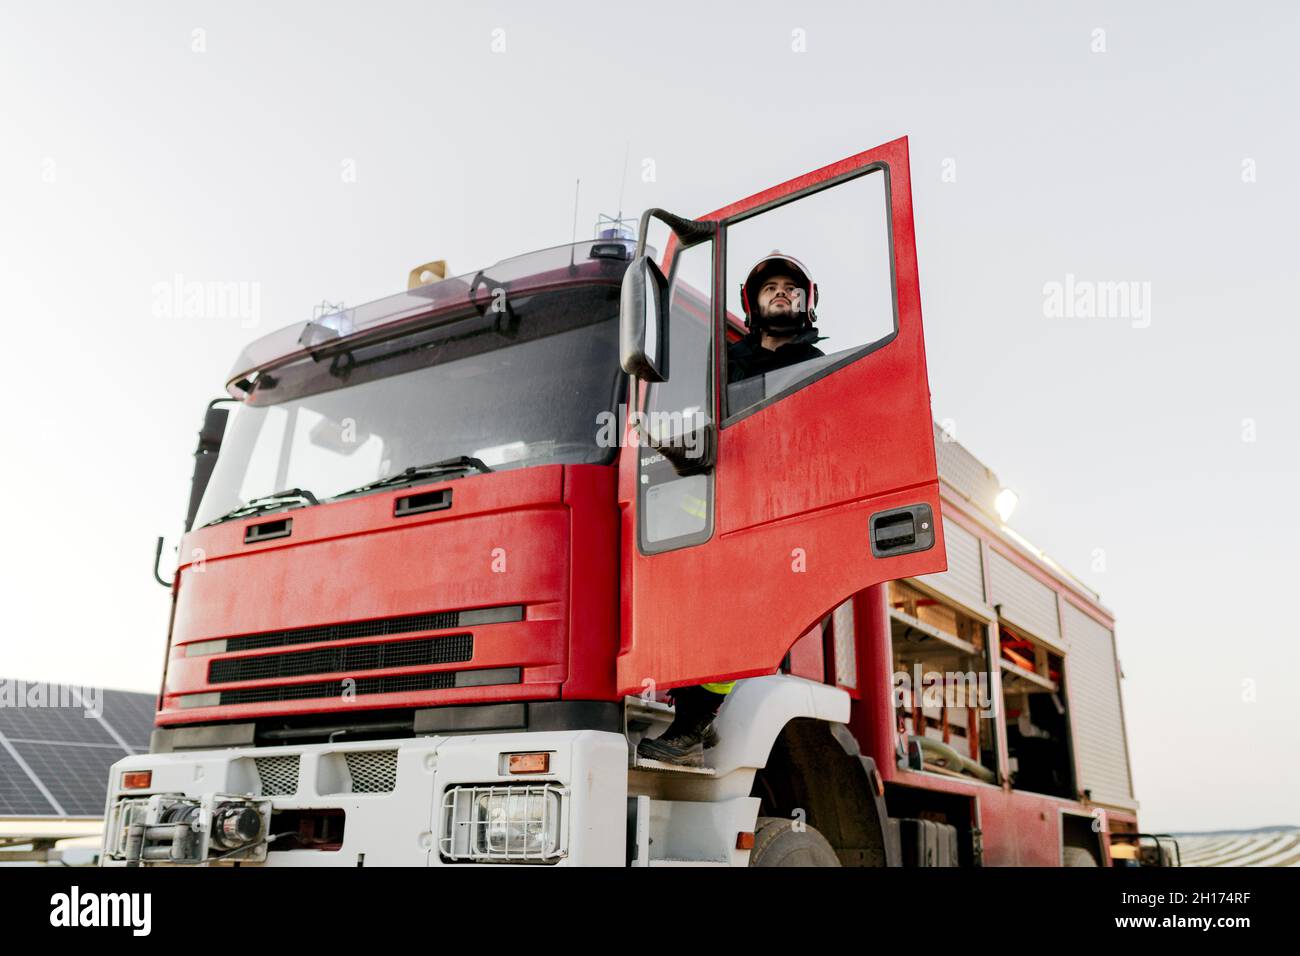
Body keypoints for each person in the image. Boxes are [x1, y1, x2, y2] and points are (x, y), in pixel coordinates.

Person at [636, 252, 824, 768]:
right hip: (714, 504)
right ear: (752, 302)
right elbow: (704, 423)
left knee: (738, 607)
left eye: (791, 288)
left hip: (777, 510)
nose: (781, 293)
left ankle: (695, 721)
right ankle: (686, 707)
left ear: (806, 304)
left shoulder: (820, 366)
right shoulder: (723, 364)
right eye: (770, 288)